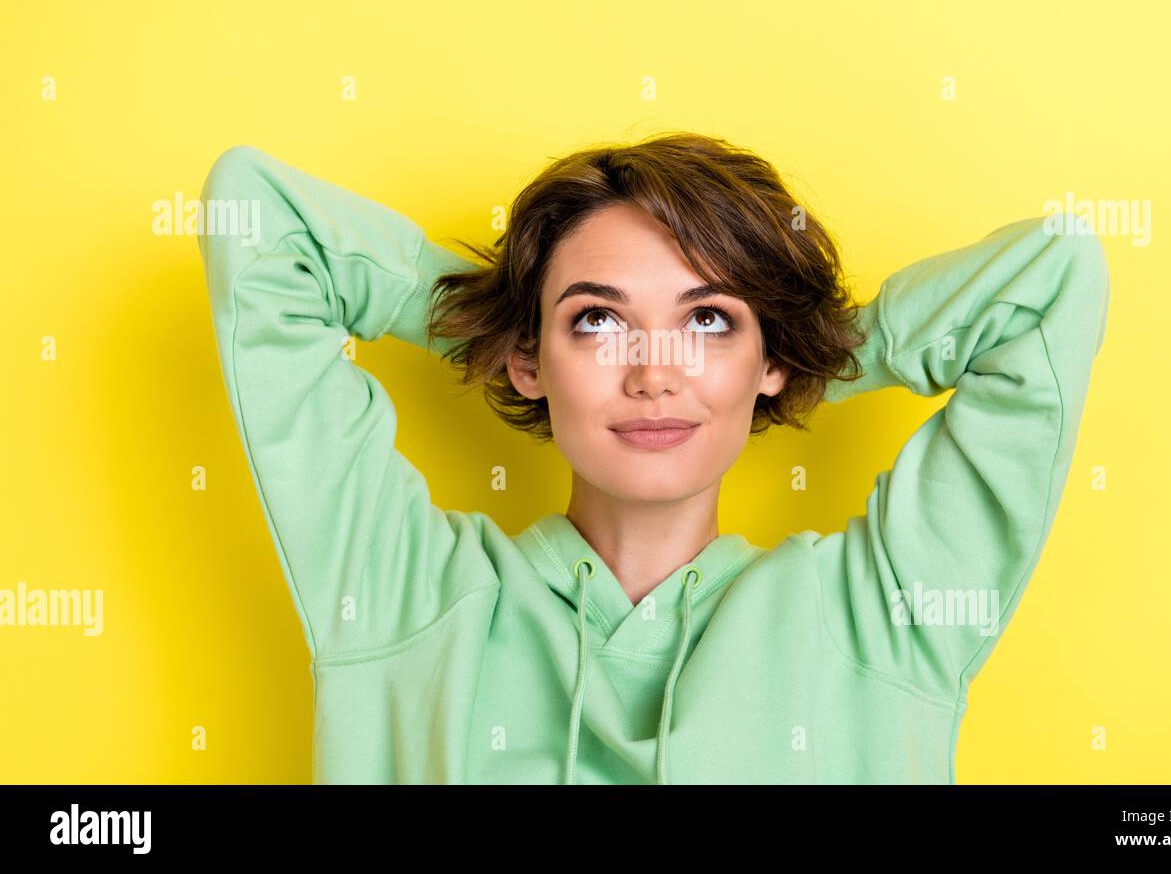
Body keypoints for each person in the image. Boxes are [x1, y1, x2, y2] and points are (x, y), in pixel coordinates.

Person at [195, 133, 1109, 783]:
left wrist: (793, 359)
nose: (656, 376)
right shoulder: (403, 592)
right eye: (597, 320)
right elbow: (259, 215)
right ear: (530, 354)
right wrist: (502, 334)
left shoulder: (882, 618)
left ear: (769, 354)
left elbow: (1050, 278)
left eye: (709, 320)